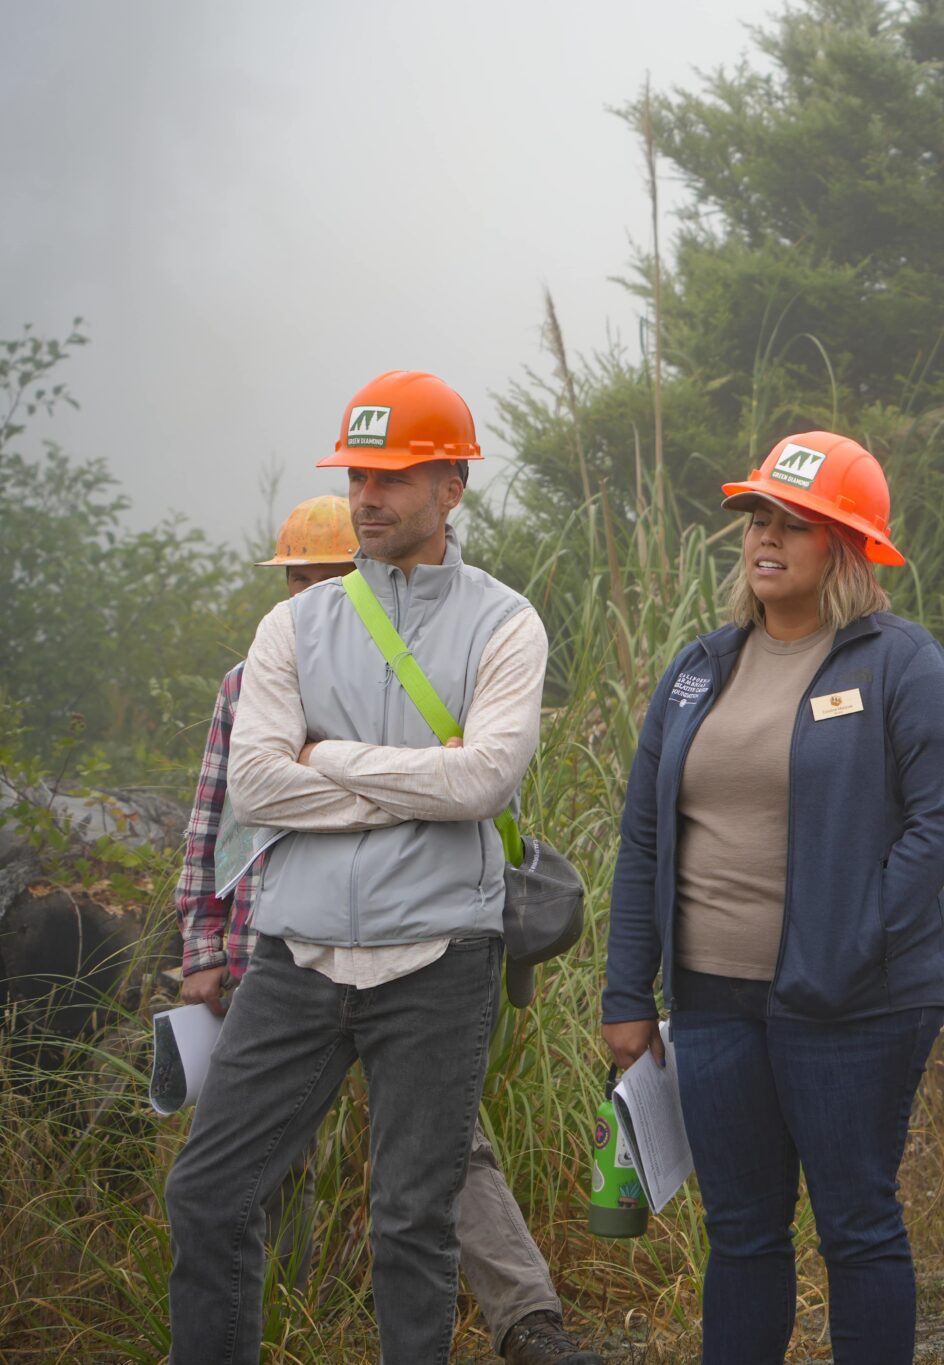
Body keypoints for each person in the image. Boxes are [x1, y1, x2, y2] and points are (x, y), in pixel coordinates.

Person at [167, 371, 549, 1364]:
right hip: (292, 954)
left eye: (391, 477)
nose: (366, 497)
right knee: (208, 1193)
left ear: (450, 488)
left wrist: (324, 757)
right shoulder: (291, 626)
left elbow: (481, 783)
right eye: (357, 476)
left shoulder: (506, 623)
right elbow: (254, 787)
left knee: (411, 1221)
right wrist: (413, 779)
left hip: (438, 959)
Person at [602, 431, 944, 1365]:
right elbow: (646, 832)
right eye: (758, 520)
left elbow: (940, 828)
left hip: (853, 1000)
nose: (764, 539)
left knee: (854, 1225)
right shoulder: (701, 667)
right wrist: (626, 992)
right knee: (741, 1231)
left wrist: (845, 945)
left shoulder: (902, 663)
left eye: (793, 524)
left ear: (845, 546)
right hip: (714, 997)